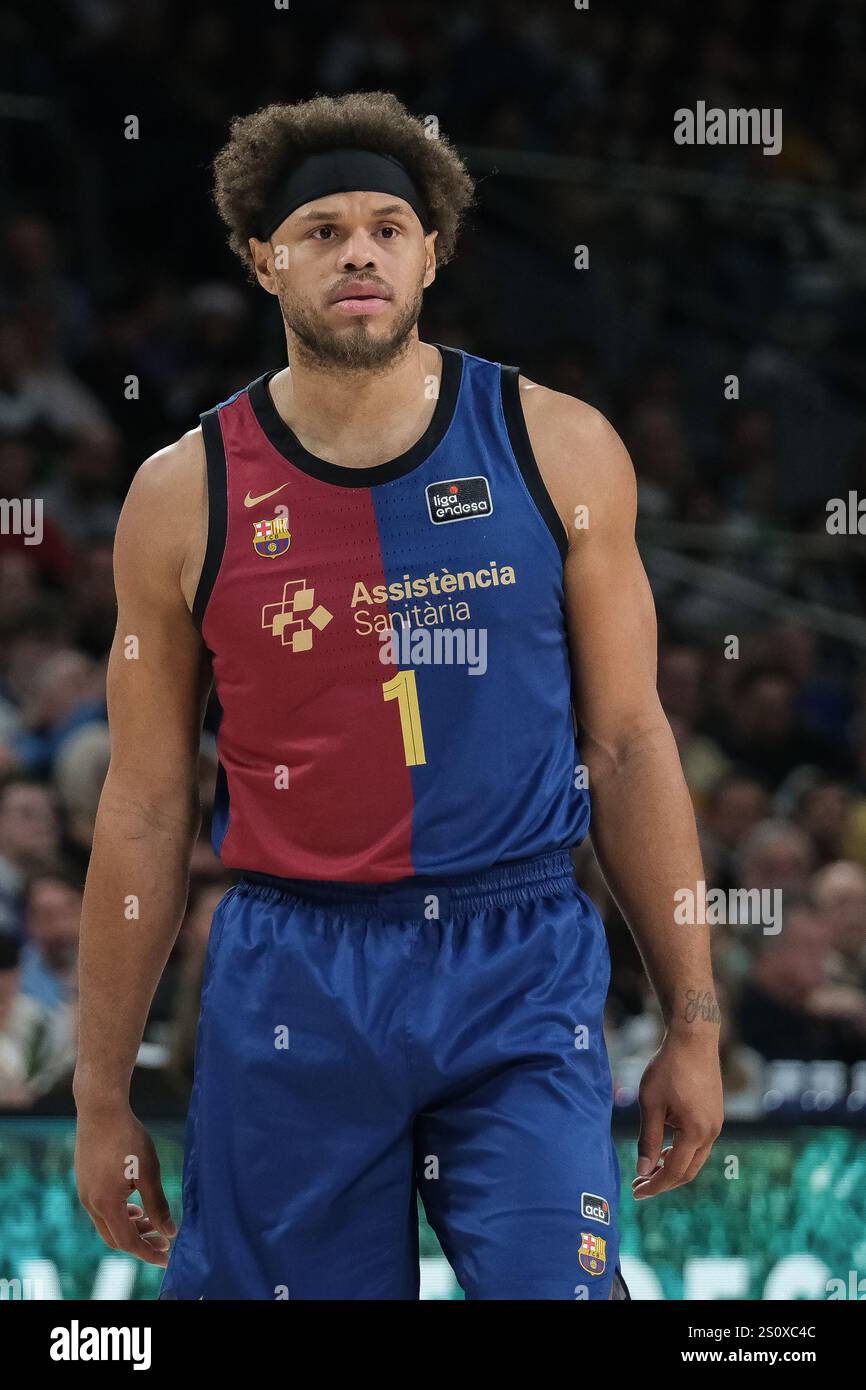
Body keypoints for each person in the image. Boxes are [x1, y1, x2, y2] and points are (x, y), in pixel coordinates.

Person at [73, 90, 722, 1301]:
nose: (358, 249)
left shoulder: (559, 446)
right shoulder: (182, 493)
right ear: (262, 260)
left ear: (435, 251)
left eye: (386, 224)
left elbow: (629, 745)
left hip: (518, 959)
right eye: (319, 230)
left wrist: (691, 1018)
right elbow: (149, 806)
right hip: (295, 970)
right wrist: (100, 1094)